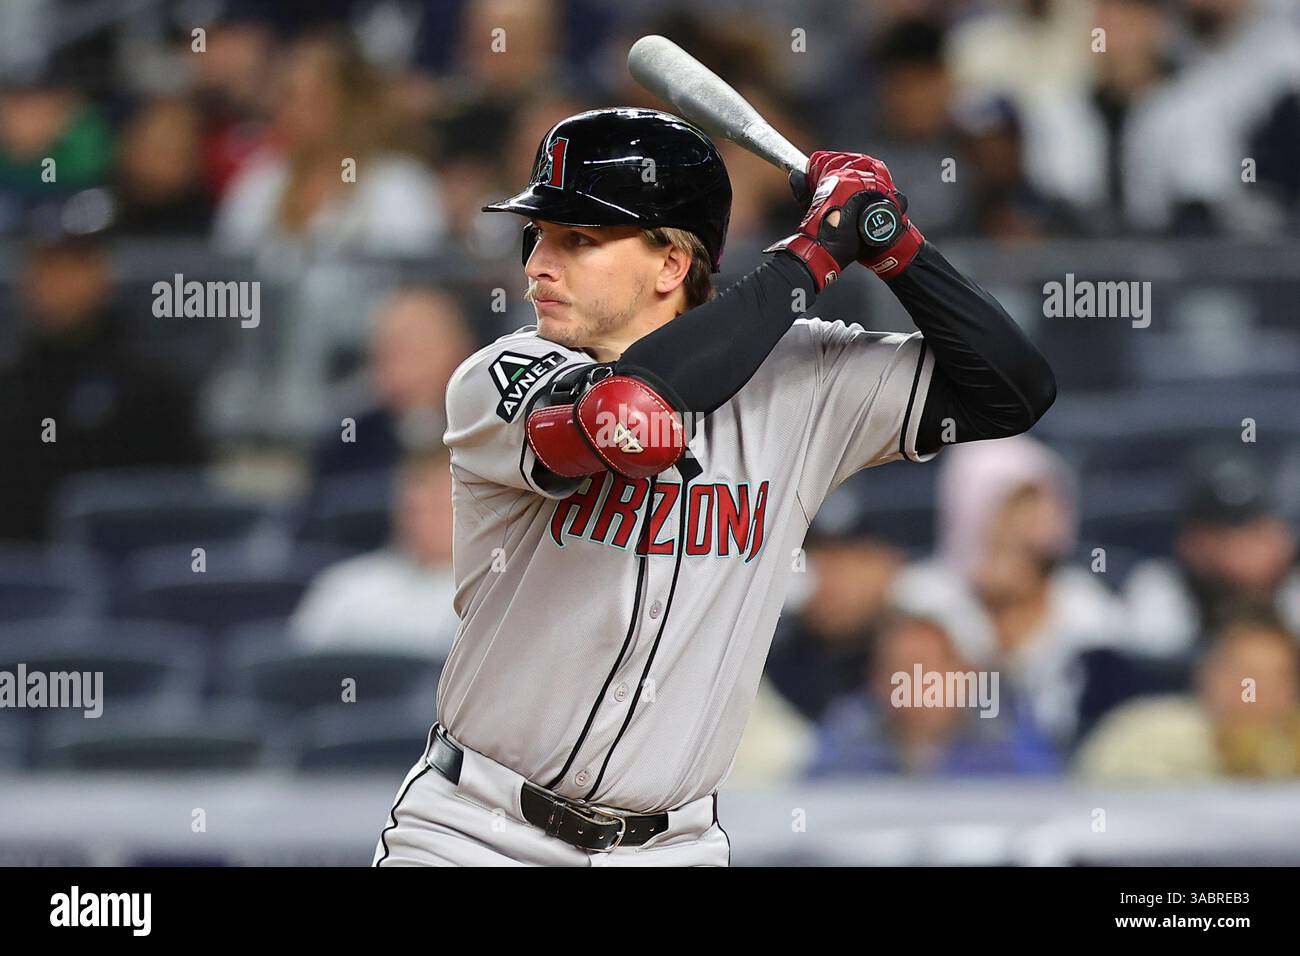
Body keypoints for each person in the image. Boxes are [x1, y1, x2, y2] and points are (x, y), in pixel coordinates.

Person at [374, 106, 1055, 866]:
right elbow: (631, 414)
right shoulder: (501, 374)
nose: (537, 263)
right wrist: (817, 248)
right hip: (476, 833)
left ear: (672, 264)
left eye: (579, 239)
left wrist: (895, 246)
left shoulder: (806, 377)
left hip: (673, 846)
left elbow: (1013, 391)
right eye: (538, 235)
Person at [1074, 610, 1300, 781]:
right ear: (1207, 674)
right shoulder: (1142, 733)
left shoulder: (1291, 748)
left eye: (1272, 678)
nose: (1253, 690)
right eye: (1243, 673)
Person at [291, 446, 459, 660]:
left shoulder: (497, 599)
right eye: (414, 508)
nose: (423, 521)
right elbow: (299, 675)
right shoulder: (346, 586)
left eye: (438, 507)